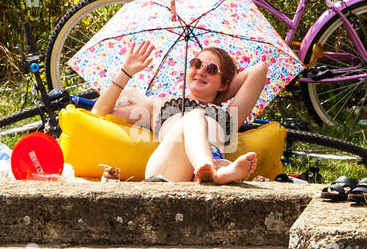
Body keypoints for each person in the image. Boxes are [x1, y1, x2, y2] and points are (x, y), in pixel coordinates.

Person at [90, 41, 268, 183]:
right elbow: (99, 112)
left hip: (207, 167)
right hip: (168, 169)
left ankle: (214, 171)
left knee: (199, 116)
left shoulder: (228, 115)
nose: (201, 71)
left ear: (224, 83)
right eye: (196, 64)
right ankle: (212, 171)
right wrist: (126, 72)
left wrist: (219, 93)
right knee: (195, 116)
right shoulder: (158, 104)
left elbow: (259, 70)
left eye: (211, 69)